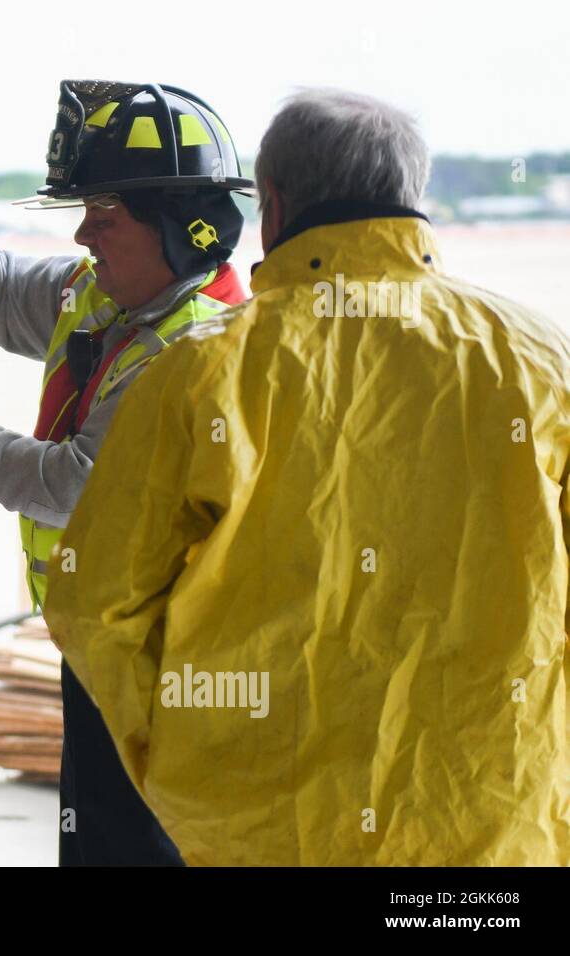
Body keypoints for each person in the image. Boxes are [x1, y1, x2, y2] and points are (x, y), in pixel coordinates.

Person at [45, 88, 570, 865]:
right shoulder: (538, 363)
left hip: (263, 832)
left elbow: (94, 604)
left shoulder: (200, 373)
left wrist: (181, 768)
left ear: (277, 208)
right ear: (409, 200)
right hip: (493, 834)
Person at [0, 81, 252, 864]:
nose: (84, 235)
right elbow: (7, 279)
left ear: (182, 232)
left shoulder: (195, 352)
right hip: (108, 654)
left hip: (168, 669)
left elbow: (75, 488)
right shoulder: (113, 300)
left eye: (103, 219)